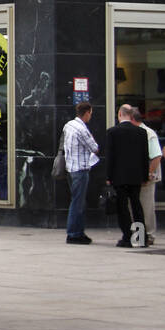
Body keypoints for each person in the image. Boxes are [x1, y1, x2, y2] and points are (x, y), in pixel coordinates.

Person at [107, 104, 156, 248]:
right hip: (136, 176)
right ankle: (141, 238)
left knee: (123, 207)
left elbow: (111, 156)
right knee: (136, 206)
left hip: (119, 176)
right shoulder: (141, 132)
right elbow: (144, 156)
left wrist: (109, 176)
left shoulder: (112, 132)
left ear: (120, 114)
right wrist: (145, 176)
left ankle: (127, 237)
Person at [63, 102, 100, 244]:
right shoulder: (82, 129)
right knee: (78, 202)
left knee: (77, 201)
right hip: (80, 169)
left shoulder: (69, 125)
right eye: (90, 113)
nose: (90, 116)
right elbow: (94, 147)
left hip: (70, 168)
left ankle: (77, 231)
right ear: (87, 113)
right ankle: (74, 233)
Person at [131, 109, 162, 246]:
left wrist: (149, 174)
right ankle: (140, 233)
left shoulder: (148, 134)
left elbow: (156, 156)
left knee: (146, 206)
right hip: (138, 175)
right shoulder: (138, 133)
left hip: (147, 177)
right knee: (138, 205)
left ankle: (149, 234)